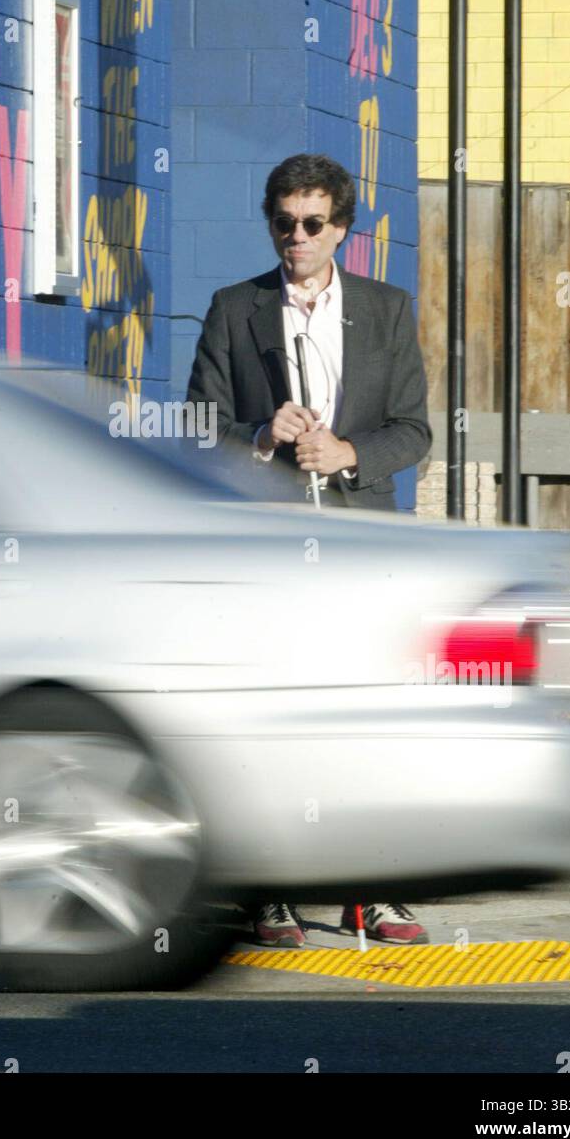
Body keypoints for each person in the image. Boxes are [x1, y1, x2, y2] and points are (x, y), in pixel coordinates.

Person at [186, 153, 432, 947]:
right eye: (283, 223)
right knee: (274, 717)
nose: (296, 237)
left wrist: (348, 453)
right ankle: (272, 890)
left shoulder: (387, 311)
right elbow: (197, 429)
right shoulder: (235, 309)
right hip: (268, 544)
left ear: (342, 231)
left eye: (312, 224)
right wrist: (260, 438)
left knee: (370, 717)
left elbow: (414, 430)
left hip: (361, 537)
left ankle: (372, 888)